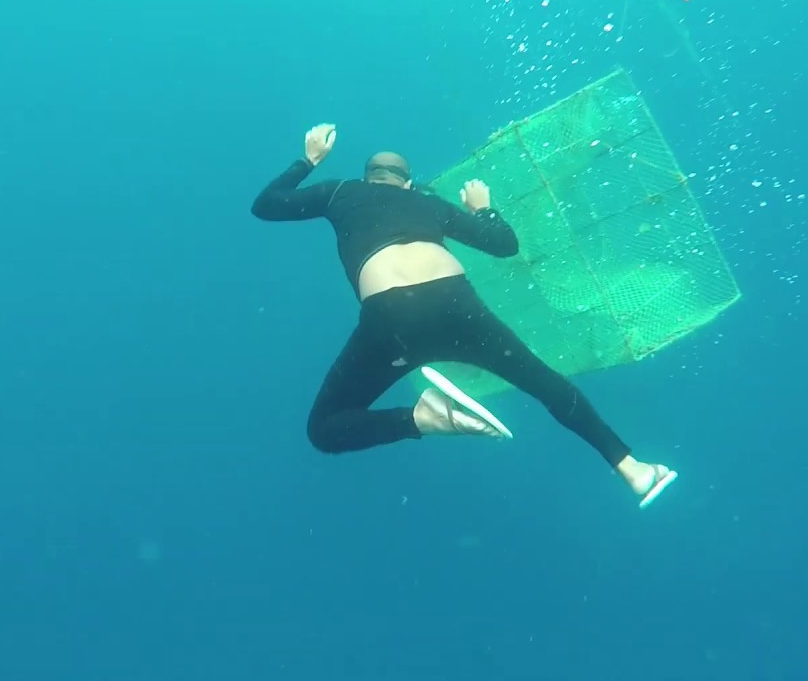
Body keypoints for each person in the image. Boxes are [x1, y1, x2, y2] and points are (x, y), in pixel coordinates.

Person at [251, 123, 678, 509]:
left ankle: (422, 418)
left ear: (369, 178)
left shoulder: (339, 191)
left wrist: (307, 159)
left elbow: (266, 205)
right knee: (546, 384)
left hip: (390, 318)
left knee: (324, 428)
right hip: (457, 307)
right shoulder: (427, 203)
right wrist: (482, 208)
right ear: (408, 182)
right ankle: (632, 469)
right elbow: (504, 243)